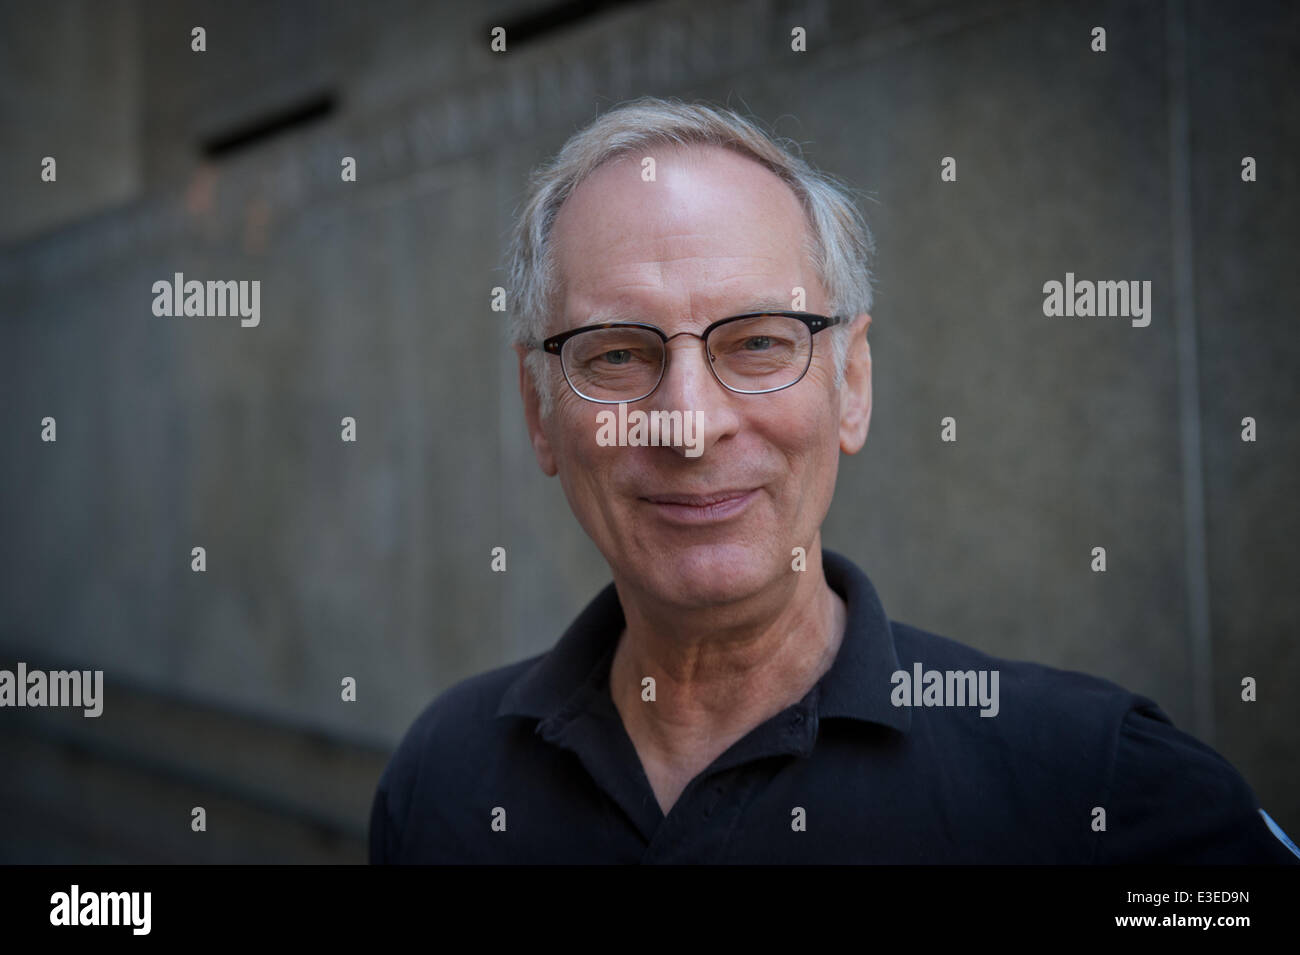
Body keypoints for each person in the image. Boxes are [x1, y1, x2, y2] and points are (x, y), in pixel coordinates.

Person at [369, 96, 1299, 864]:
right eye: (616, 354)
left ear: (851, 385)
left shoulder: (1102, 787)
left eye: (760, 342)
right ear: (540, 411)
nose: (691, 422)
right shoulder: (444, 776)